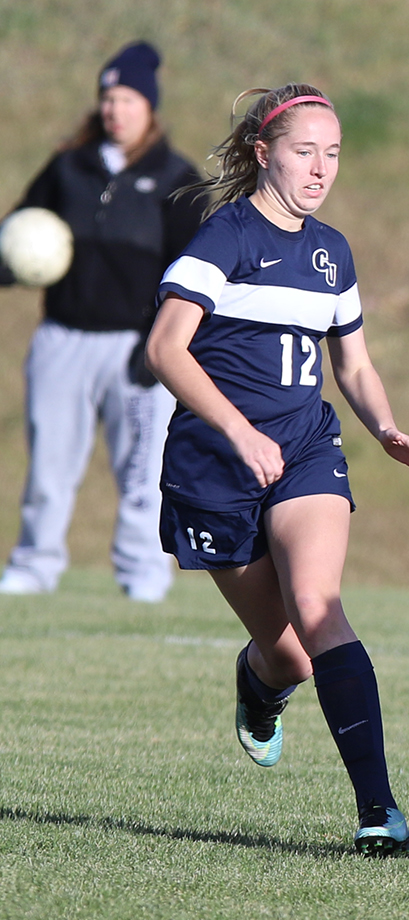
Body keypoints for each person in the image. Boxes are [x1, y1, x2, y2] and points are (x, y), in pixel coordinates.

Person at [147, 84, 409, 854]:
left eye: (333, 154)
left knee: (319, 605)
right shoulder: (225, 240)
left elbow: (354, 362)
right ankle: (260, 687)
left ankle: (379, 813)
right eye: (304, 151)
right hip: (216, 465)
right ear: (263, 152)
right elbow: (164, 349)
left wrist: (385, 428)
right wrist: (239, 432)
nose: (320, 169)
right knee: (288, 657)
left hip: (306, 449)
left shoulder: (330, 251)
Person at [0, 42, 200, 601]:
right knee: (49, 467)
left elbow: (194, 273)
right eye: (108, 98)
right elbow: (19, 226)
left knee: (141, 473)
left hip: (137, 351)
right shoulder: (69, 167)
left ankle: (143, 576)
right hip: (62, 338)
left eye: (127, 98)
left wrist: (160, 340)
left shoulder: (175, 177)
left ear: (149, 107)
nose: (115, 109)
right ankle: (34, 565)